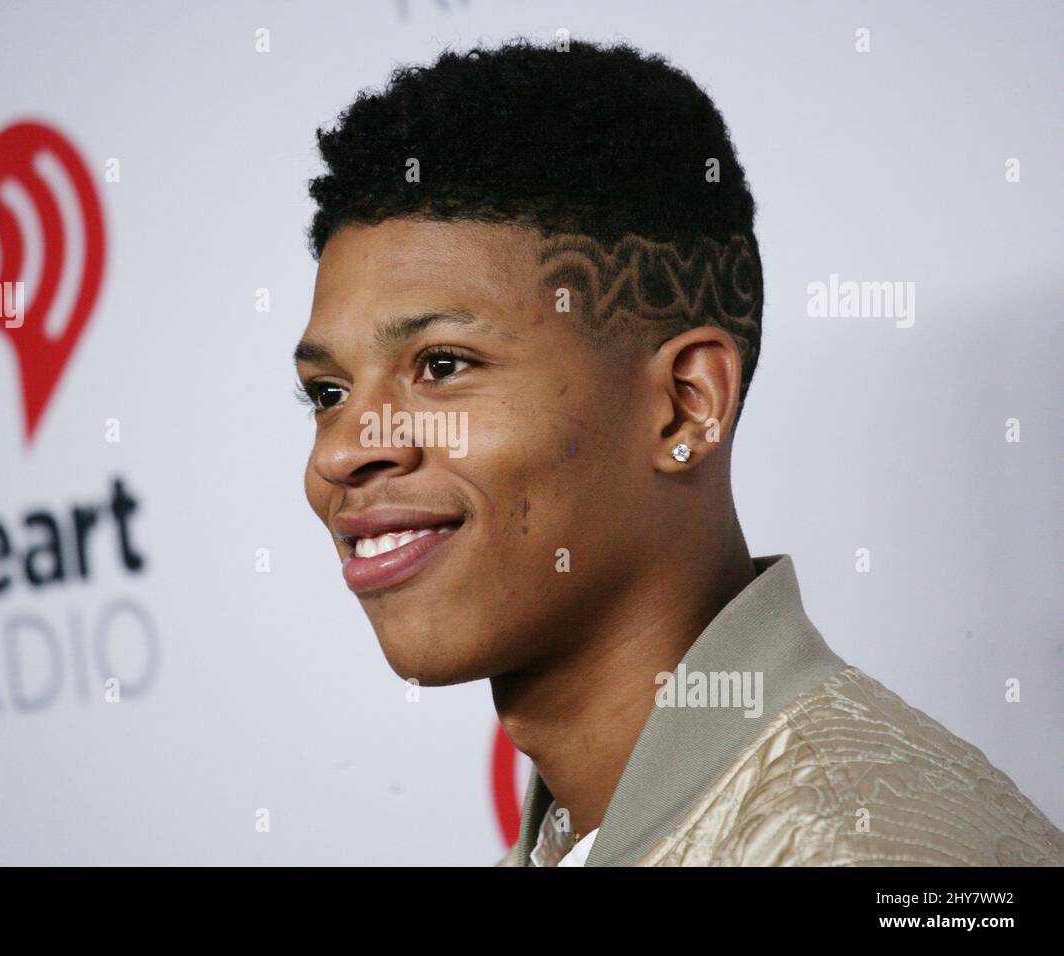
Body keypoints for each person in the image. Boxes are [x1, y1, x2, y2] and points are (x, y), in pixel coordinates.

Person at [291, 38, 1063, 866]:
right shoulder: (589, 832)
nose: (342, 456)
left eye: (442, 367)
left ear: (686, 406)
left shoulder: (858, 850)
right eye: (328, 394)